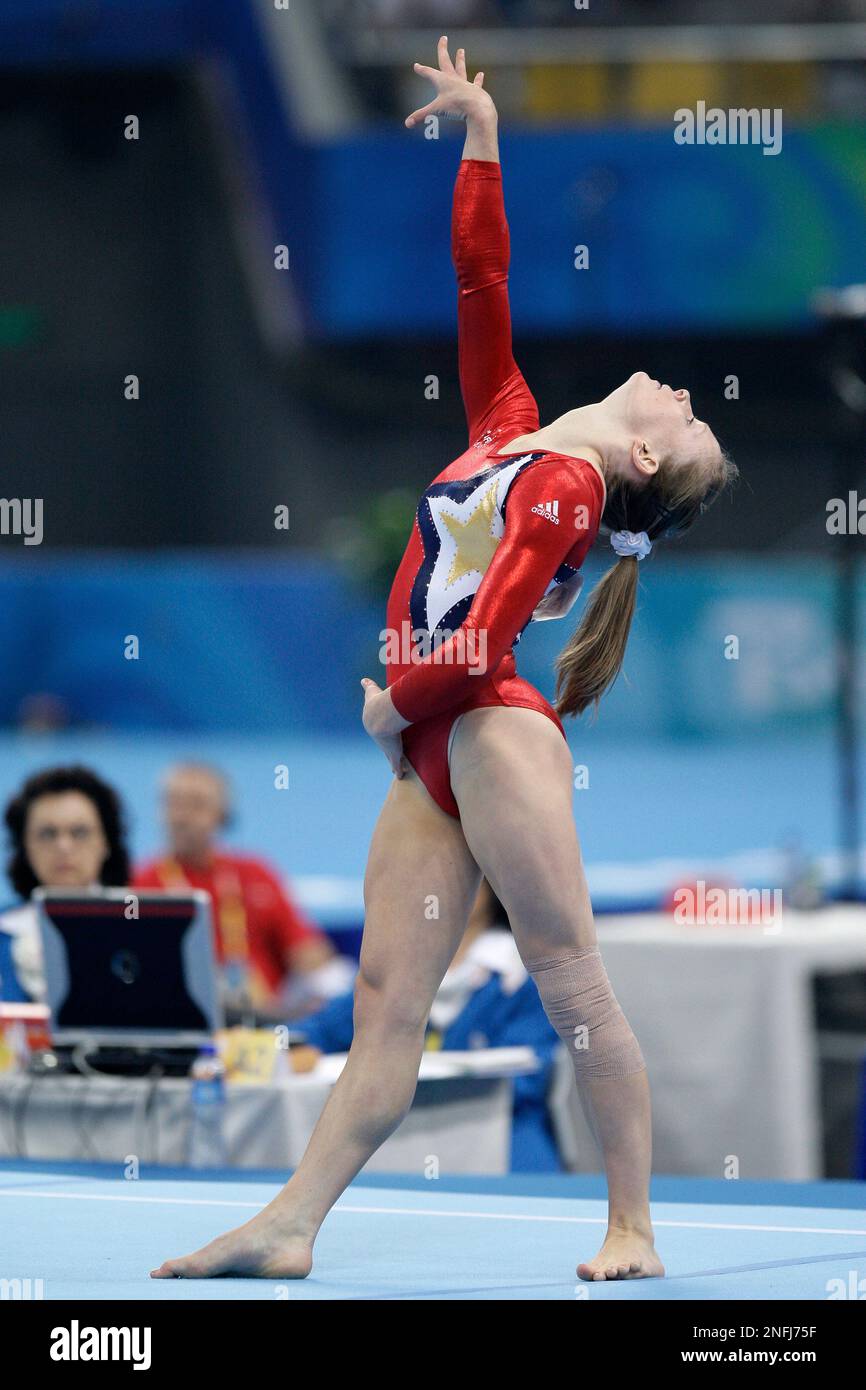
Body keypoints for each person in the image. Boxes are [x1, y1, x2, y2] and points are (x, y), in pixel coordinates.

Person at [151, 37, 736, 1283]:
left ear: (640, 464)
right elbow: (480, 284)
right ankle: (290, 1222)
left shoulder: (571, 487)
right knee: (382, 1008)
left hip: (485, 728)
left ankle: (630, 1223)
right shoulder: (512, 432)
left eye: (685, 424)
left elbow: (480, 640)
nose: (679, 394)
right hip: (434, 738)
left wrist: (387, 710)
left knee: (568, 977)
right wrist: (480, 136)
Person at [290, 879, 564, 1171]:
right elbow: (321, 1029)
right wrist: (292, 1046)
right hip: (402, 1139)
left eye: (466, 873)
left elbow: (530, 1075)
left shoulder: (527, 972)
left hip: (506, 1136)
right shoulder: (396, 969)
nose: (446, 885)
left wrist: (426, 1091)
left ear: (493, 887)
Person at [134, 763, 352, 1021]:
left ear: (223, 815)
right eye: (173, 804)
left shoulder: (255, 872)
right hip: (185, 1012)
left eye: (196, 805)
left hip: (269, 1015)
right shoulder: (142, 883)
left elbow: (307, 951)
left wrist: (325, 981)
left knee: (341, 980)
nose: (181, 817)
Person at [0, 766, 131, 1002]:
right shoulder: (4, 930)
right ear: (25, 847)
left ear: (106, 842)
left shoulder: (143, 923)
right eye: (47, 834)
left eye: (79, 833)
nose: (64, 847)